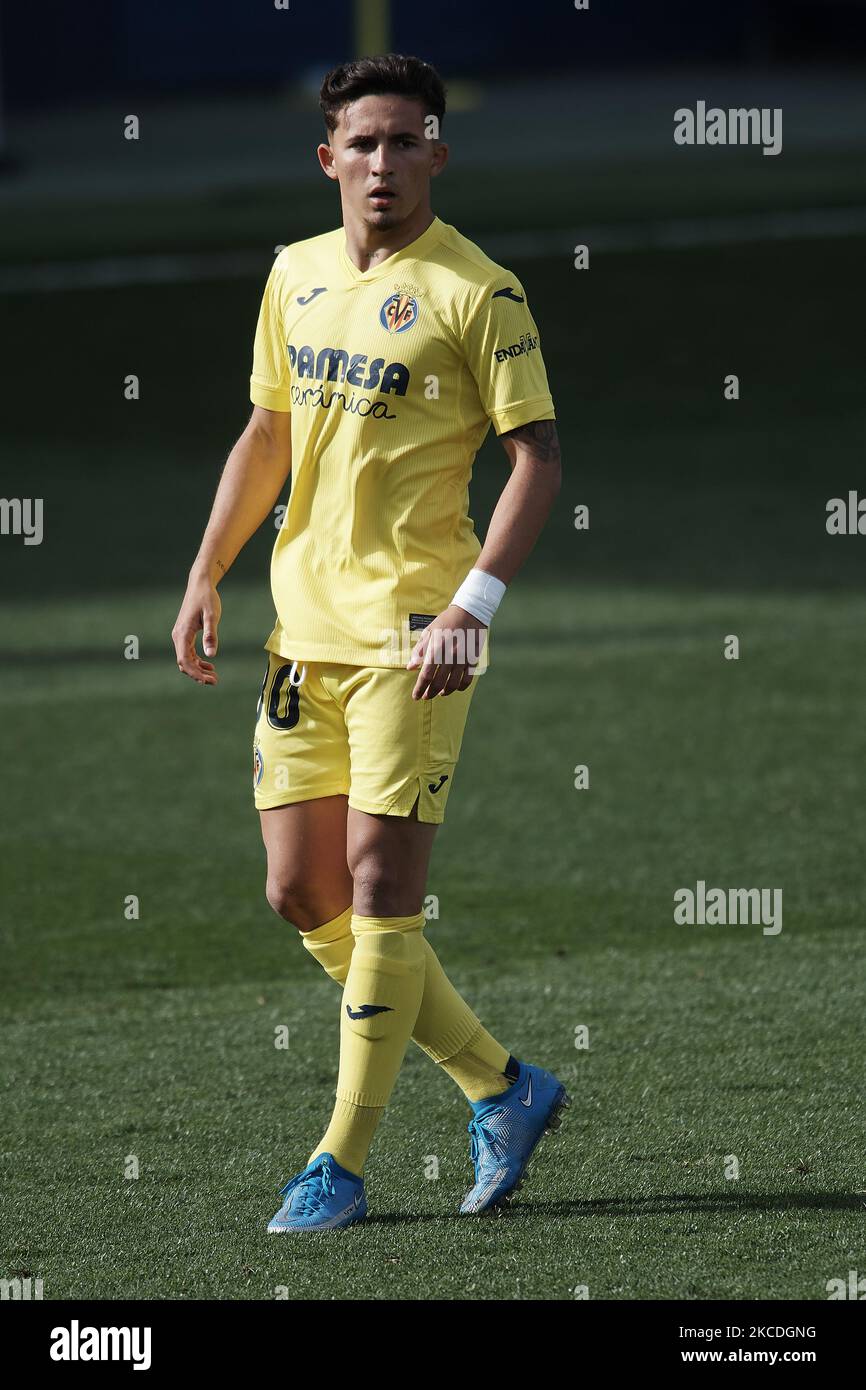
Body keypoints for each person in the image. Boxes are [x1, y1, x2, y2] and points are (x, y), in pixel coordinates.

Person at [171, 53, 567, 1232]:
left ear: (439, 154)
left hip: (417, 640)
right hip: (303, 636)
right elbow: (267, 430)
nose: (383, 163)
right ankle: (502, 1083)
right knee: (300, 894)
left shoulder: (477, 292)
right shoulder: (292, 275)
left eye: (407, 141)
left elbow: (537, 459)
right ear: (328, 157)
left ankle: (336, 1165)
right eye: (364, 142)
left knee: (381, 889)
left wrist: (470, 609)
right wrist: (206, 571)